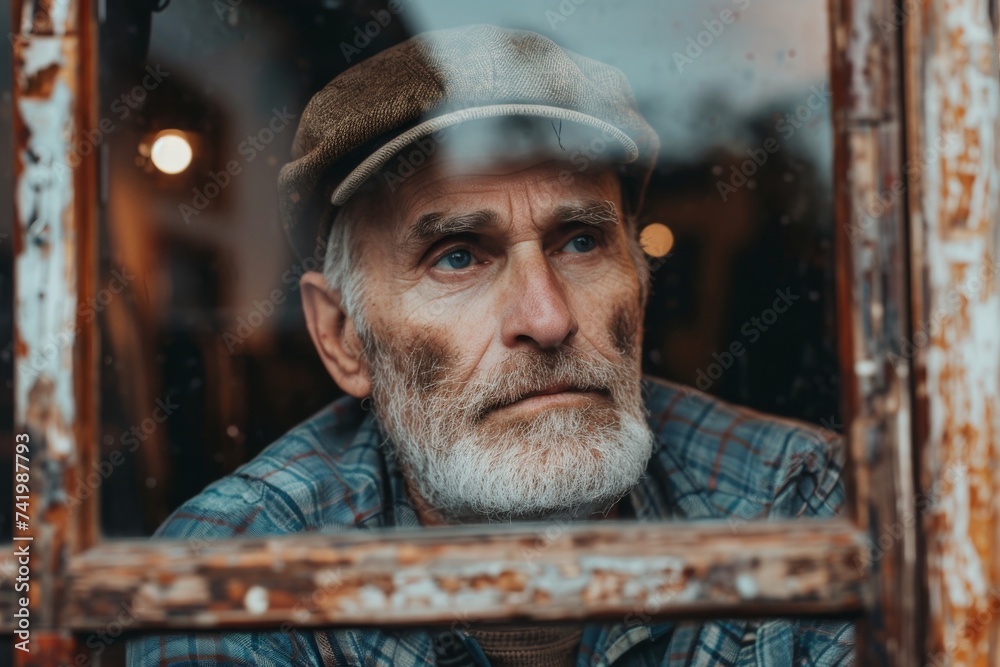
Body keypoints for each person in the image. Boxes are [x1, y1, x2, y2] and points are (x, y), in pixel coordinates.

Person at [127, 24, 853, 666]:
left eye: (580, 240)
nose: (546, 318)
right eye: (457, 255)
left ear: (638, 276)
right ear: (343, 337)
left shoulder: (801, 501)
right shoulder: (232, 565)